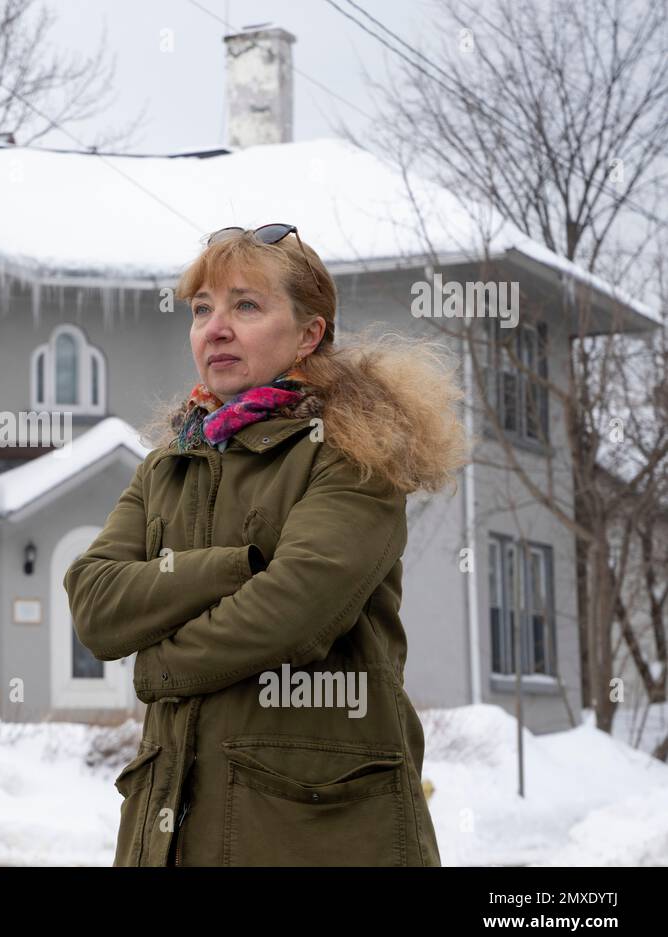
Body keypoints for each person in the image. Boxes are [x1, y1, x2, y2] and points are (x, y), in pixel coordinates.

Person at [63, 224, 469, 866]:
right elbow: (94, 601)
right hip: (166, 836)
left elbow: (292, 613)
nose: (214, 328)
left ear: (310, 332)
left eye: (245, 305)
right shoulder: (169, 465)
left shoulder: (352, 452)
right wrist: (233, 568)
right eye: (202, 309)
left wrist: (156, 664)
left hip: (312, 836)